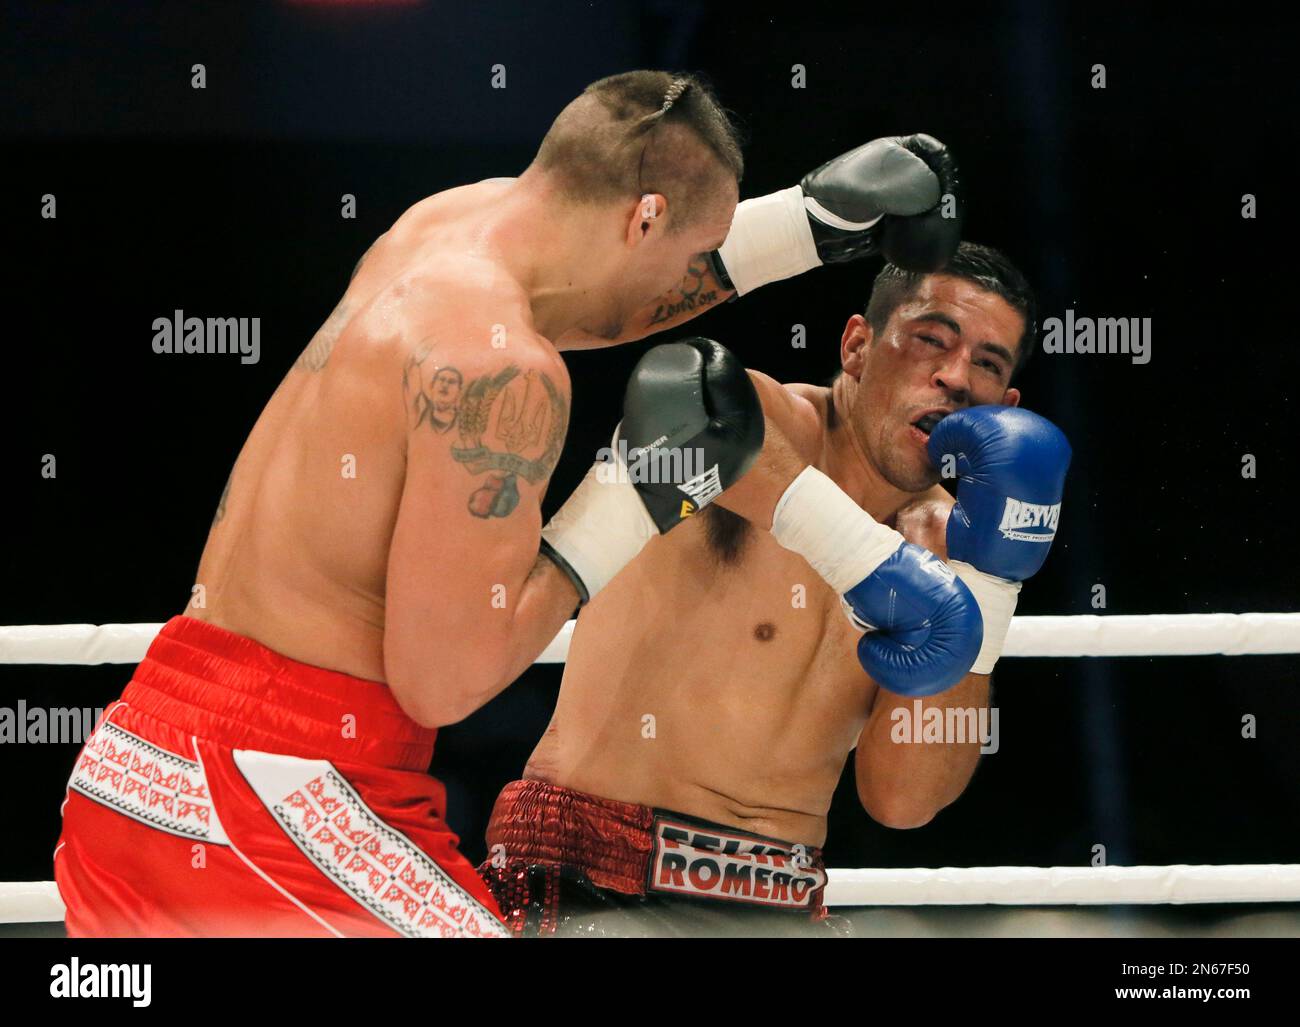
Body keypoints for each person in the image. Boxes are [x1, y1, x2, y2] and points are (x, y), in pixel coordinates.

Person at [54, 68, 961, 936]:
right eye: (691, 253)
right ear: (645, 218)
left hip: (158, 758)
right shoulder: (504, 371)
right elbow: (442, 679)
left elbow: (608, 294)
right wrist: (634, 494)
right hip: (270, 791)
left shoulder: (439, 230)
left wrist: (807, 226)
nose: (687, 290)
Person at [480, 243, 1071, 936]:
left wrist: (990, 588)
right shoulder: (757, 421)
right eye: (930, 340)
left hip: (783, 900)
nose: (953, 377)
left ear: (1006, 406)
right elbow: (684, 399)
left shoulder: (949, 544)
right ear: (857, 345)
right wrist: (872, 561)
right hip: (601, 875)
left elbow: (904, 799)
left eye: (987, 363)